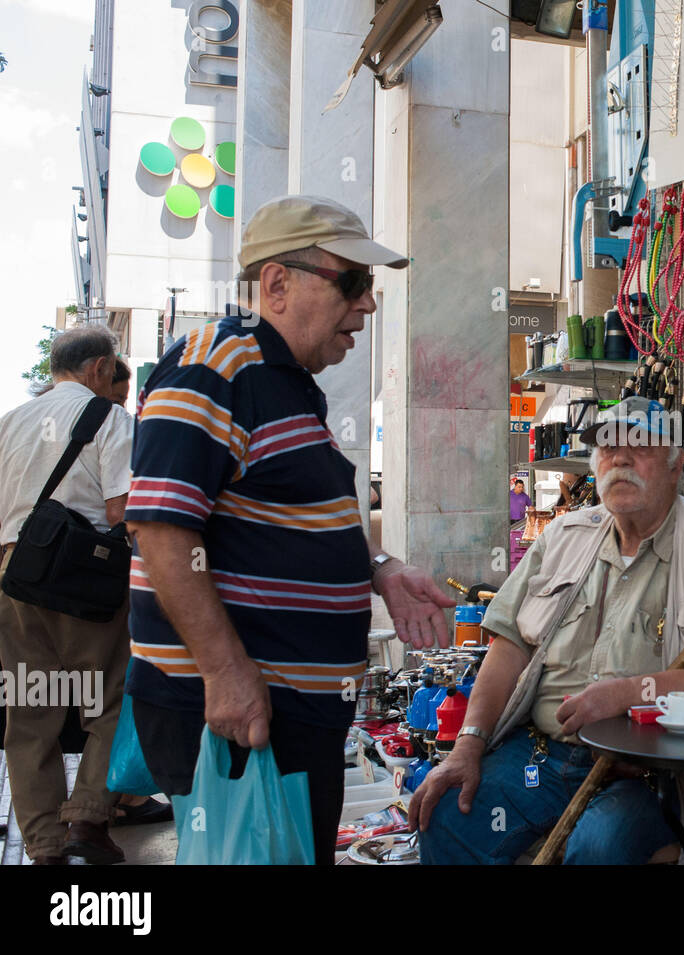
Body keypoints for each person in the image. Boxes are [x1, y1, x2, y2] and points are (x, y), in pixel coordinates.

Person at [124, 195, 457, 865]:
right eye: (354, 282)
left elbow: (301, 515)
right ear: (276, 283)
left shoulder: (283, 380)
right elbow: (162, 530)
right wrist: (225, 671)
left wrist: (382, 568)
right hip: (240, 714)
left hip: (283, 713)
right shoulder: (212, 365)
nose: (367, 305)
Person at [410, 397, 684, 864]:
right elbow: (508, 649)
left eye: (639, 445)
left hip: (647, 774)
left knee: (600, 845)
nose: (619, 458)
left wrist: (629, 694)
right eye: (606, 447)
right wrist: (468, 744)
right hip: (541, 757)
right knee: (445, 814)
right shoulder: (563, 538)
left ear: (675, 462)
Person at [0, 326, 134, 864]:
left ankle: (44, 846)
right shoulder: (110, 418)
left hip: (13, 575)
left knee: (30, 709)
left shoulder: (9, 422)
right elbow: (123, 509)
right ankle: (86, 821)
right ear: (100, 368)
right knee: (111, 700)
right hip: (85, 575)